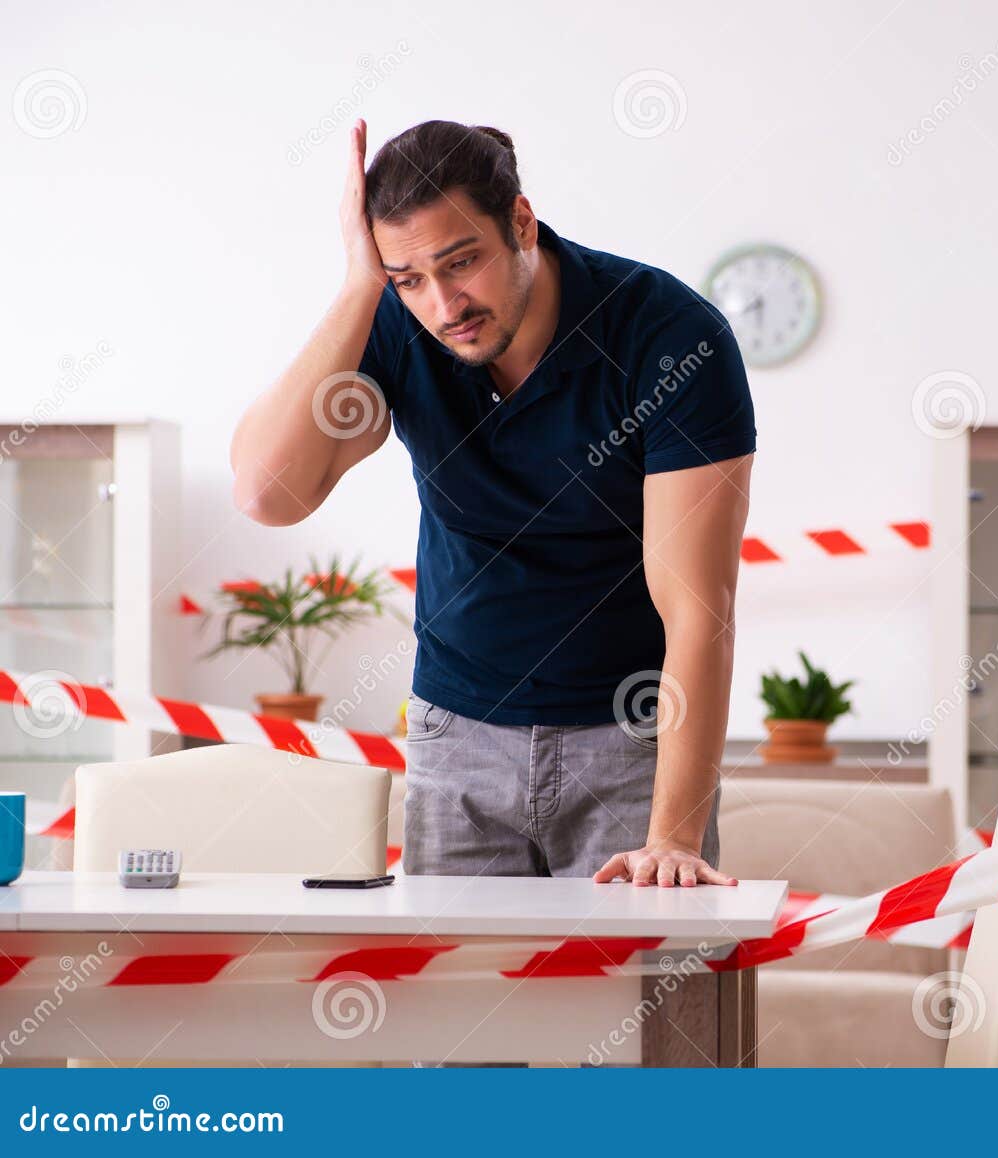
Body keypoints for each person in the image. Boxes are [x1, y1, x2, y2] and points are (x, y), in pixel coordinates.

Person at [230, 118, 755, 890]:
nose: (445, 305)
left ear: (520, 221)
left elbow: (696, 606)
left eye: (461, 261)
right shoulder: (396, 325)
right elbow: (267, 494)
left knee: (643, 1003)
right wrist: (360, 286)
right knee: (463, 1004)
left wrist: (673, 836)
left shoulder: (668, 336)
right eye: (408, 276)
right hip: (457, 739)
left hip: (631, 740)